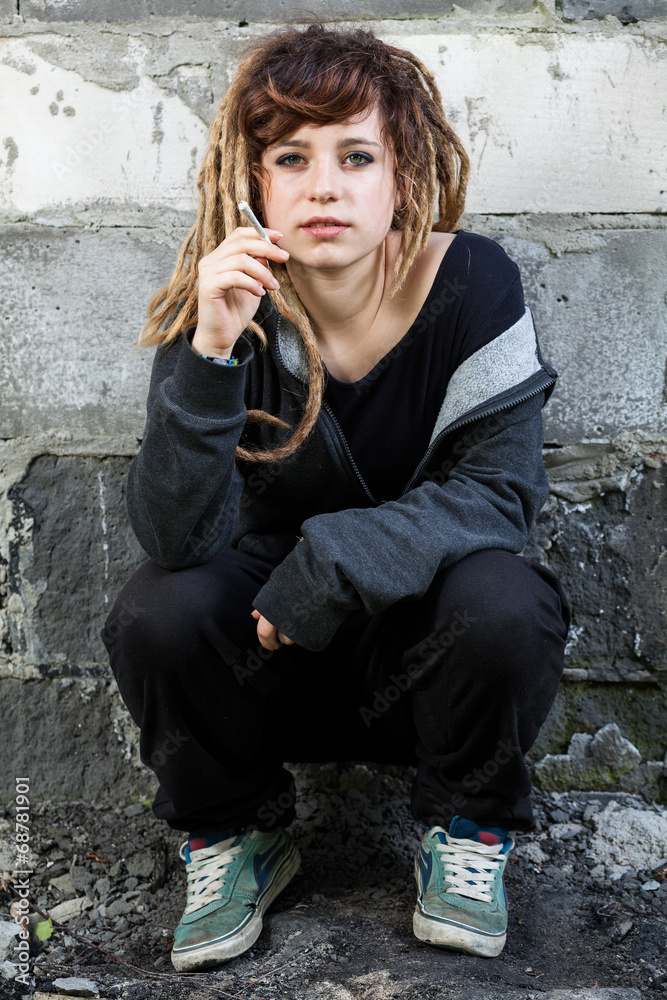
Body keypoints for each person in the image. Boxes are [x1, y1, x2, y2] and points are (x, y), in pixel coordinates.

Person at [102, 23, 571, 973]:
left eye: (357, 156)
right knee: (153, 608)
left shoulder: (471, 283)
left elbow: (499, 495)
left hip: (423, 651)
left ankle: (467, 833)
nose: (324, 186)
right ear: (252, 183)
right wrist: (210, 352)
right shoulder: (224, 297)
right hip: (267, 666)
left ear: (401, 177)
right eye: (291, 157)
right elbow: (174, 535)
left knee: (506, 602)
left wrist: (335, 560)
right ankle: (234, 835)